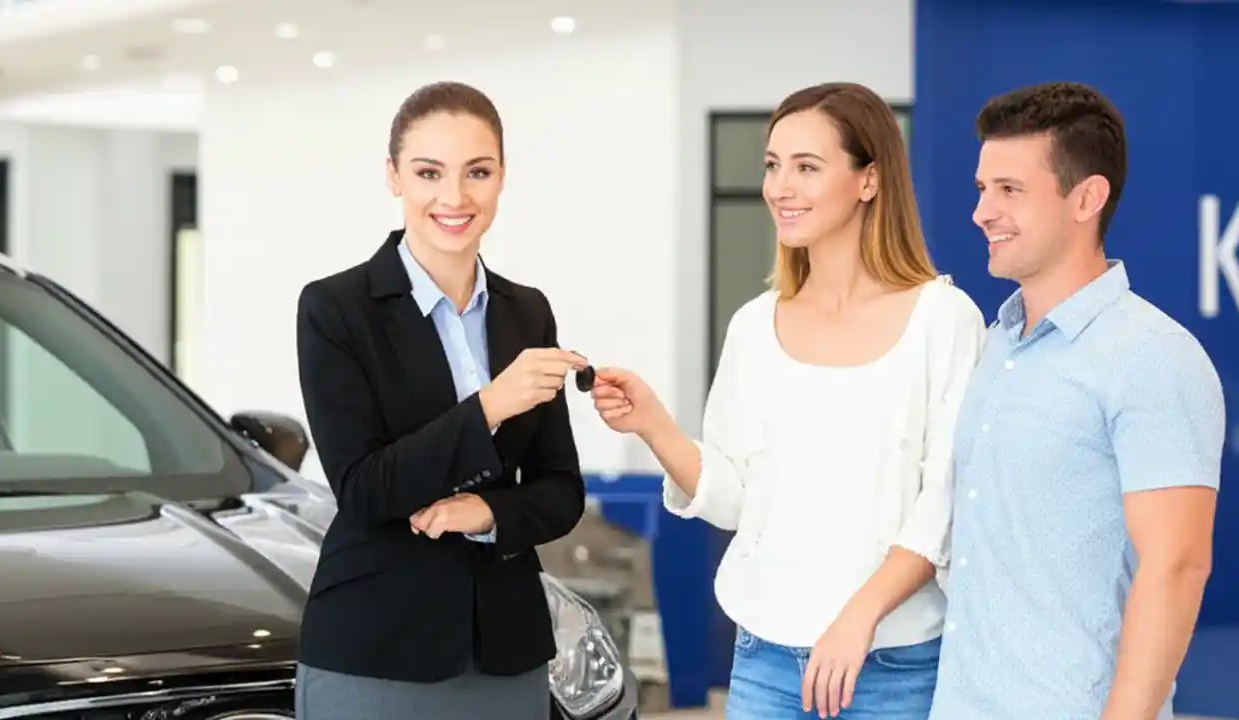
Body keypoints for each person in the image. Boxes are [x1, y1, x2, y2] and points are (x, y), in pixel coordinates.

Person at [590, 82, 985, 719]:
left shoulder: (945, 321)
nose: (780, 187)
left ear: (869, 179)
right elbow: (735, 499)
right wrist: (653, 425)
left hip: (893, 669)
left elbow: (941, 509)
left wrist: (855, 620)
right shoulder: (753, 327)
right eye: (773, 166)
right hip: (765, 666)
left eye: (807, 167)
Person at [928, 81, 1226, 720]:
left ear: (1087, 198)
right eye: (983, 189)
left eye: (1010, 190)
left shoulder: (1154, 357)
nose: (982, 211)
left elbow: (1177, 566)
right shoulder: (994, 345)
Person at [292, 81, 588, 720]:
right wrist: (490, 405)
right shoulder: (334, 309)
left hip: (505, 655)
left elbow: (561, 491)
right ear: (394, 176)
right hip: (375, 650)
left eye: (476, 172)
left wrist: (484, 512)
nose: (454, 198)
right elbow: (364, 489)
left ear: (501, 178)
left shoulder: (527, 311)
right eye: (430, 172)